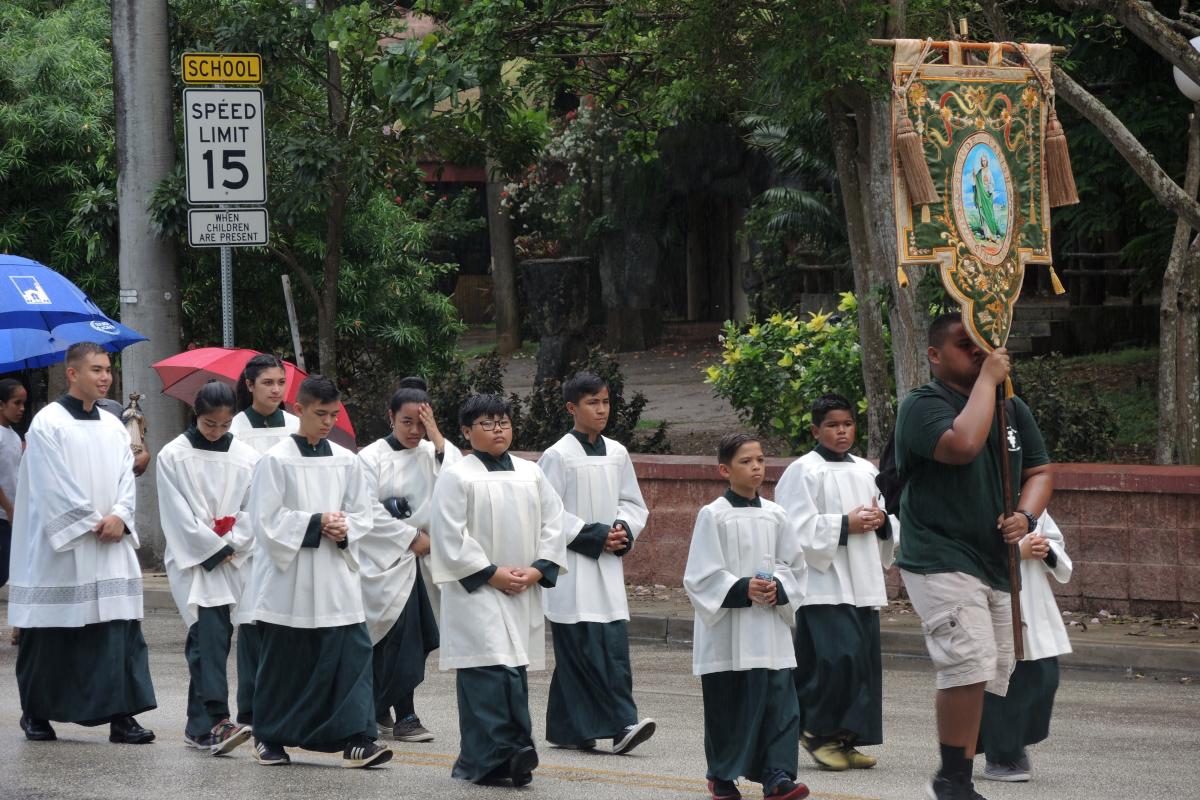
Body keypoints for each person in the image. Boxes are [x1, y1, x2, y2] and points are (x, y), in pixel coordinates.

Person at [894, 312, 1054, 800]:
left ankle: (955, 777)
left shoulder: (1012, 408)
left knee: (988, 669)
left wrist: (1025, 517)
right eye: (967, 345)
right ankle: (952, 781)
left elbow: (1042, 471)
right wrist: (989, 378)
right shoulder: (922, 405)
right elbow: (962, 444)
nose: (980, 352)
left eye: (985, 344)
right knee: (966, 663)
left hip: (994, 560)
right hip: (938, 555)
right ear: (935, 356)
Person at [8, 342, 156, 743]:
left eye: (108, 369)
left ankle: (121, 716)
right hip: (65, 547)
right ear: (72, 374)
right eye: (96, 370)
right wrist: (94, 522)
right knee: (52, 634)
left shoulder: (112, 424)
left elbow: (127, 474)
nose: (105, 376)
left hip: (109, 544)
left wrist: (122, 516)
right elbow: (50, 486)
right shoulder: (47, 423)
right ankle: (36, 713)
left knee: (117, 631)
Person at [244, 374, 391, 768]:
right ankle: (269, 735)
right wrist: (314, 523)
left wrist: (345, 528)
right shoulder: (275, 459)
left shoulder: (347, 460)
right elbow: (265, 520)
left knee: (352, 653)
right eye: (320, 414)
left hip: (335, 575)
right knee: (285, 661)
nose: (327, 422)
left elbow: (363, 513)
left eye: (333, 415)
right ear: (299, 410)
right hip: (290, 578)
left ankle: (359, 738)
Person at [429, 394, 566, 786]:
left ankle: (511, 755)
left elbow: (554, 523)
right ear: (466, 432)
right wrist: (492, 574)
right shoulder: (457, 476)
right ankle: (489, 760)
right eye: (487, 424)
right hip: (477, 590)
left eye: (503, 422)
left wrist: (538, 570)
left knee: (513, 671)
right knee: (488, 671)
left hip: (522, 585)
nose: (498, 430)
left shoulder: (530, 472)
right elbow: (449, 536)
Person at [774, 393, 897, 771]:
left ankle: (845, 738)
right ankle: (816, 732)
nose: (841, 431)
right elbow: (792, 527)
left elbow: (885, 513)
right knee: (833, 660)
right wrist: (845, 524)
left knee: (860, 663)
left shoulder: (864, 468)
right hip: (823, 583)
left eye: (847, 424)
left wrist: (881, 524)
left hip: (861, 578)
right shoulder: (803, 471)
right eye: (832, 425)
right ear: (815, 429)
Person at [684, 433, 808, 800]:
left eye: (760, 460)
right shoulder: (713, 515)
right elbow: (700, 575)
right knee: (729, 705)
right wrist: (742, 588)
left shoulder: (777, 514)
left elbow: (794, 566)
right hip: (729, 632)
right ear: (725, 470)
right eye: (745, 462)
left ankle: (777, 776)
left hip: (769, 629)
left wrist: (778, 587)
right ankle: (722, 776)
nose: (756, 467)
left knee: (780, 705)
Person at [538, 371, 655, 754]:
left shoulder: (618, 452)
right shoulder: (557, 456)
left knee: (609, 648)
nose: (601, 409)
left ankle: (568, 728)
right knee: (580, 652)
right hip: (573, 569)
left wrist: (622, 529)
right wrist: (593, 535)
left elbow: (634, 503)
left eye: (605, 401)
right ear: (572, 407)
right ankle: (622, 725)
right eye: (592, 402)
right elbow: (546, 512)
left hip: (607, 569)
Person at [157, 381, 258, 756]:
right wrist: (212, 546)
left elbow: (254, 507)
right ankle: (215, 720)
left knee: (213, 639)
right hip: (195, 560)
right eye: (209, 424)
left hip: (233, 557)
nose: (216, 431)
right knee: (208, 636)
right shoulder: (174, 455)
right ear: (195, 415)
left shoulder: (247, 456)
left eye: (224, 424)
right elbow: (175, 513)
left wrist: (235, 538)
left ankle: (197, 726)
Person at [357, 379, 460, 743]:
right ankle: (401, 714)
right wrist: (409, 537)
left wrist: (436, 434)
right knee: (388, 638)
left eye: (422, 423)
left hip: (423, 563)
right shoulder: (369, 458)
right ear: (390, 417)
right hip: (384, 562)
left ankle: (392, 710)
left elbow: (458, 479)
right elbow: (363, 509)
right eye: (407, 422)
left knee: (413, 640)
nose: (415, 431)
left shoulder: (432, 453)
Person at [228, 354, 299, 736]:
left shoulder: (296, 426)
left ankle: (285, 702)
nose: (276, 389)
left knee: (286, 624)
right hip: (250, 539)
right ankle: (251, 707)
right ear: (250, 384)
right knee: (252, 622)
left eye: (280, 382)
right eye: (268, 383)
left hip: (290, 536)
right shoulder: (235, 429)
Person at [978, 512, 1072, 783]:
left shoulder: (1032, 506)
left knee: (1044, 676)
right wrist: (1020, 551)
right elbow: (969, 553)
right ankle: (1002, 754)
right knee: (1003, 682)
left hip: (1032, 599)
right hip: (996, 597)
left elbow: (1055, 542)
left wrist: (1046, 550)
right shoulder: (978, 498)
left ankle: (1011, 744)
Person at [0, 378, 27, 591]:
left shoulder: (14, 436)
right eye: (16, 403)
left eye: (23, 403)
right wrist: (9, 508)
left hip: (12, 514)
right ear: (1, 404)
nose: (21, 409)